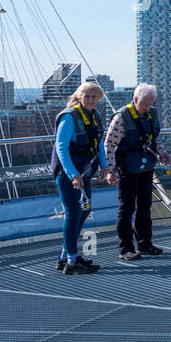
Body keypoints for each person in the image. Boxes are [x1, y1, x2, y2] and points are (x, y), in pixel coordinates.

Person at [51, 81, 115, 274]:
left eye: (94, 96)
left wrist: (104, 166)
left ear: (99, 99)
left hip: (84, 172)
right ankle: (72, 261)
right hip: (69, 173)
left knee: (85, 210)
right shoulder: (70, 117)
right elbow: (61, 147)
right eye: (86, 96)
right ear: (79, 96)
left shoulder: (94, 116)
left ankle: (65, 256)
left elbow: (98, 143)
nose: (90, 99)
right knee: (73, 212)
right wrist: (73, 175)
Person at [104, 83, 171, 261]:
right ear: (135, 99)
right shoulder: (121, 117)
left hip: (146, 166)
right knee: (127, 208)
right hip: (128, 168)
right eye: (145, 104)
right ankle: (125, 248)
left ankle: (144, 243)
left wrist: (162, 153)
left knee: (145, 206)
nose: (148, 107)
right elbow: (109, 145)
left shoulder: (151, 114)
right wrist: (110, 170)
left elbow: (153, 139)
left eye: (151, 104)